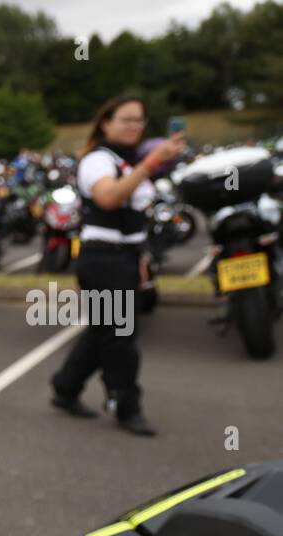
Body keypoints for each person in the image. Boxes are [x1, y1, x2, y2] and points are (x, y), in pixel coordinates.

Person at [49, 95, 185, 437]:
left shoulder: (128, 161)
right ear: (105, 123)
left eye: (139, 120)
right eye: (126, 119)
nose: (134, 126)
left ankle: (65, 387)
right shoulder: (98, 160)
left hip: (123, 256)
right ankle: (127, 405)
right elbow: (109, 198)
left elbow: (133, 219)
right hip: (103, 259)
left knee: (104, 330)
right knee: (120, 337)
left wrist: (139, 259)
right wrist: (151, 163)